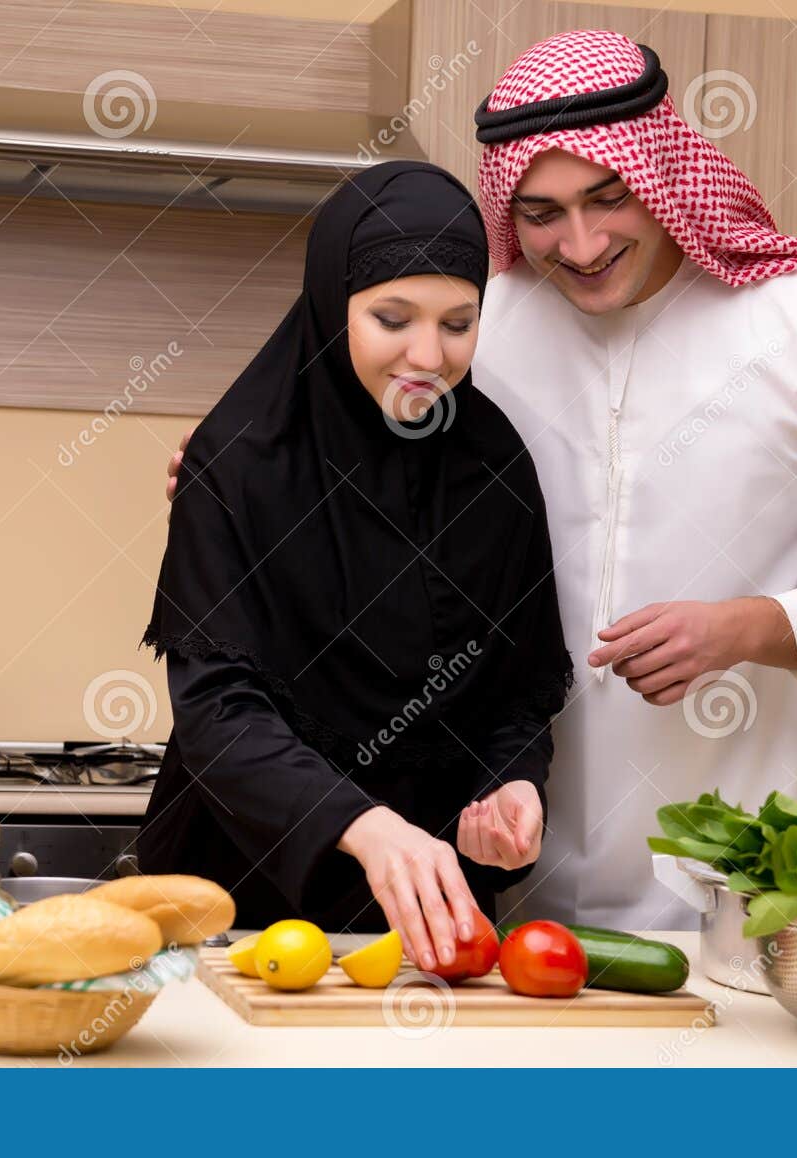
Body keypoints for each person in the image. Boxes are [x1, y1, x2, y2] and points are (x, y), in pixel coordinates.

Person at [167, 32, 797, 932]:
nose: (579, 244)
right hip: (508, 882)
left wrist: (750, 626)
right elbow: (348, 451)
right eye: (541, 212)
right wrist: (242, 475)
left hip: (747, 877)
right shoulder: (486, 322)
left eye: (608, 197)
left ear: (661, 169)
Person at [138, 160, 573, 970]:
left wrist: (515, 786)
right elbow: (219, 711)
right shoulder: (235, 462)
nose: (428, 354)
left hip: (431, 914)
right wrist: (366, 827)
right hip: (233, 896)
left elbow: (517, 698)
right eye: (392, 317)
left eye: (458, 322)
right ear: (331, 304)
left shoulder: (497, 465)